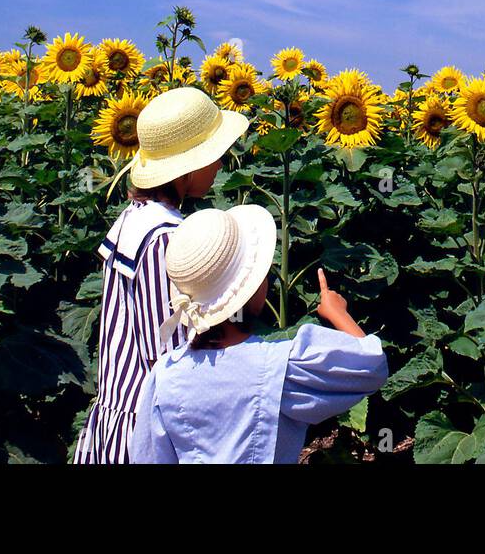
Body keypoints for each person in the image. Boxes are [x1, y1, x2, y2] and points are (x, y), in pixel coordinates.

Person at [128, 205, 389, 464]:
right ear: (251, 290)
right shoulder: (281, 369)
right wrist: (337, 313)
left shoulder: (165, 376)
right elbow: (371, 366)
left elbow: (148, 457)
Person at [72, 87, 248, 464]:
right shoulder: (165, 239)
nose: (220, 164)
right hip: (147, 431)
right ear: (187, 167)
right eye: (213, 155)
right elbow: (169, 358)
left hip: (119, 413)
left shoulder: (134, 216)